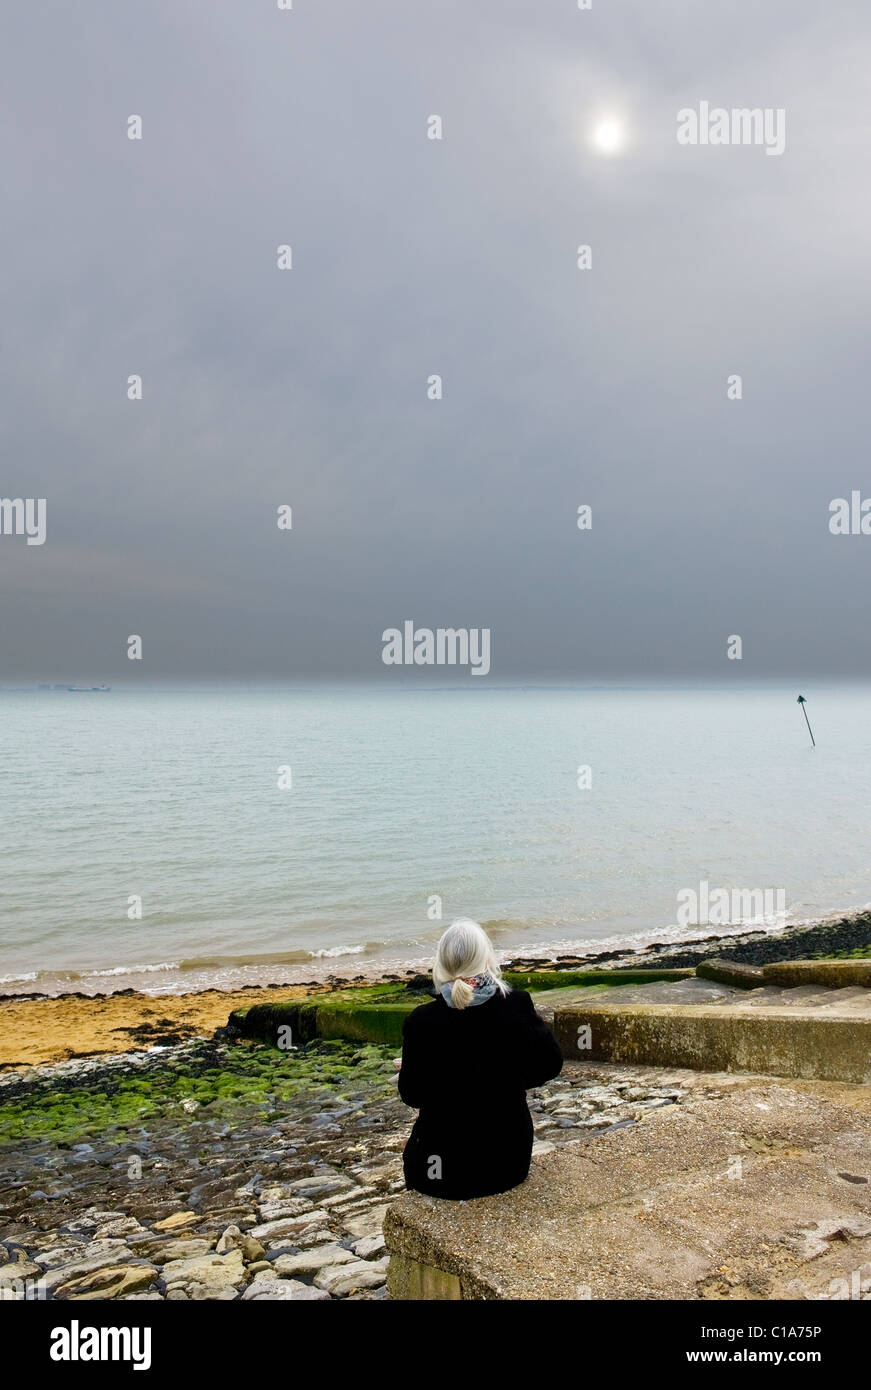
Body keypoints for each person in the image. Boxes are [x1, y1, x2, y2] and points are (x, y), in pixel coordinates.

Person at [396, 918, 563, 1201]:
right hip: (507, 1162)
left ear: (441, 963)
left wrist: (423, 1068)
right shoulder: (516, 1004)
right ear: (486, 957)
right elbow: (550, 1064)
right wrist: (503, 1073)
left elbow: (412, 1095)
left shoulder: (421, 1021)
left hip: (439, 1172)